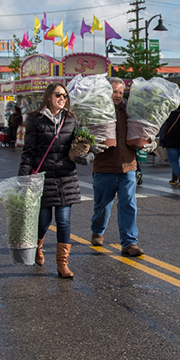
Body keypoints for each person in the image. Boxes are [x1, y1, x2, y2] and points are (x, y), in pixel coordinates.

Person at [18, 82, 82, 278]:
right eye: (58, 95)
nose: (62, 98)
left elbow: (80, 144)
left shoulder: (71, 119)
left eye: (65, 96)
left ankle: (62, 264)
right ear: (48, 97)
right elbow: (28, 152)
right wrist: (23, 179)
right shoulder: (35, 120)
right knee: (43, 221)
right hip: (43, 179)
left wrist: (87, 153)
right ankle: (38, 246)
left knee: (63, 221)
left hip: (66, 178)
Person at [90, 78, 142, 258]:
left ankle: (129, 242)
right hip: (104, 166)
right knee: (102, 205)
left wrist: (149, 141)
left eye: (120, 92)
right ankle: (97, 230)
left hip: (128, 165)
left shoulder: (131, 111)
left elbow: (143, 130)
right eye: (114, 91)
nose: (118, 95)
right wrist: (89, 146)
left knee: (128, 203)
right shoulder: (98, 110)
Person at [158, 102, 180, 186]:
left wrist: (162, 140)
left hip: (171, 142)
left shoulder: (168, 116)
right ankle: (174, 178)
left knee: (172, 161)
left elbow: (163, 129)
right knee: (175, 160)